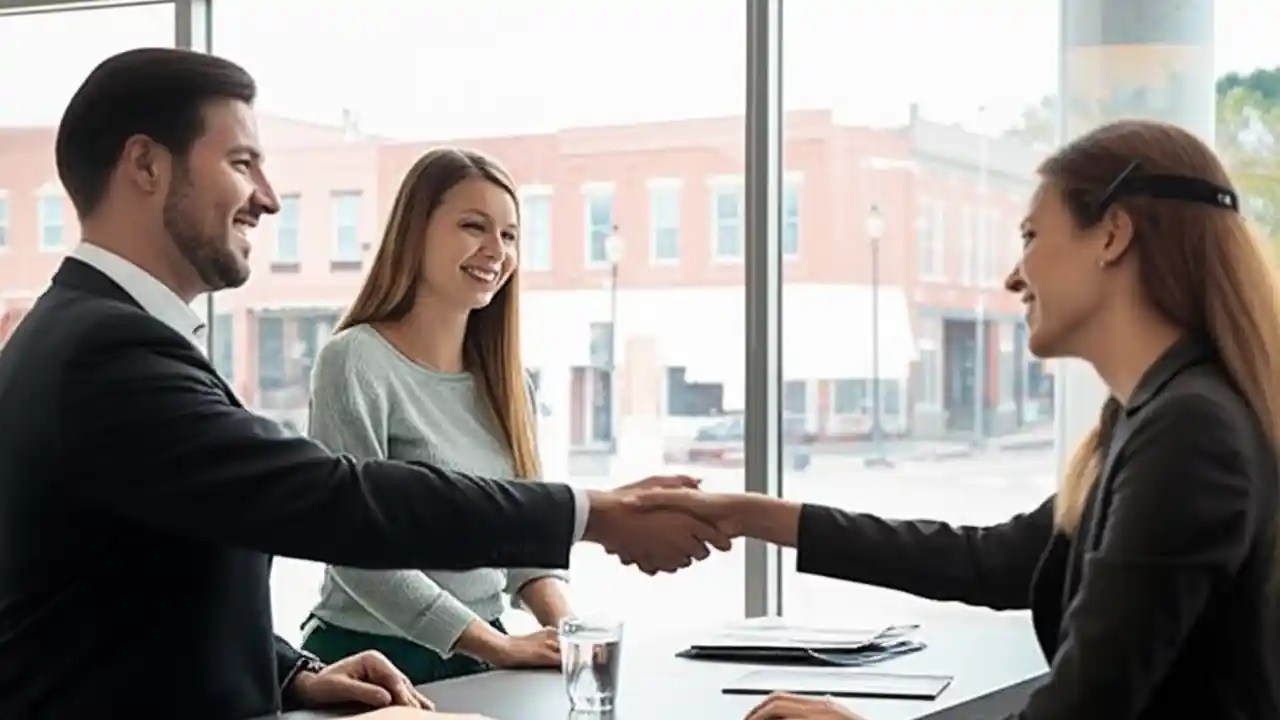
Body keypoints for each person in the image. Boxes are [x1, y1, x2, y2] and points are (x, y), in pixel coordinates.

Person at [0, 48, 729, 720]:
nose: (269, 198)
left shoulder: (104, 335)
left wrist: (294, 674)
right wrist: (593, 512)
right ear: (146, 166)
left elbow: (146, 582)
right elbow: (331, 497)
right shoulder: (106, 351)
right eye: (242, 163)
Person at [646, 119, 1280, 719]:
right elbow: (996, 561)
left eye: (1030, 236)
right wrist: (760, 517)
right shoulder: (1151, 418)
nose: (1013, 277)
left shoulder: (1190, 431)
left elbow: (1086, 708)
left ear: (1112, 236)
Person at [298, 147, 616, 682]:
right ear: (416, 232)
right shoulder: (353, 361)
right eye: (474, 226)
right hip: (371, 662)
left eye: (510, 235)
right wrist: (495, 645)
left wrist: (572, 637)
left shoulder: (509, 383)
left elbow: (525, 539)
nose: (497, 250)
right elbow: (353, 550)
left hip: (483, 656)